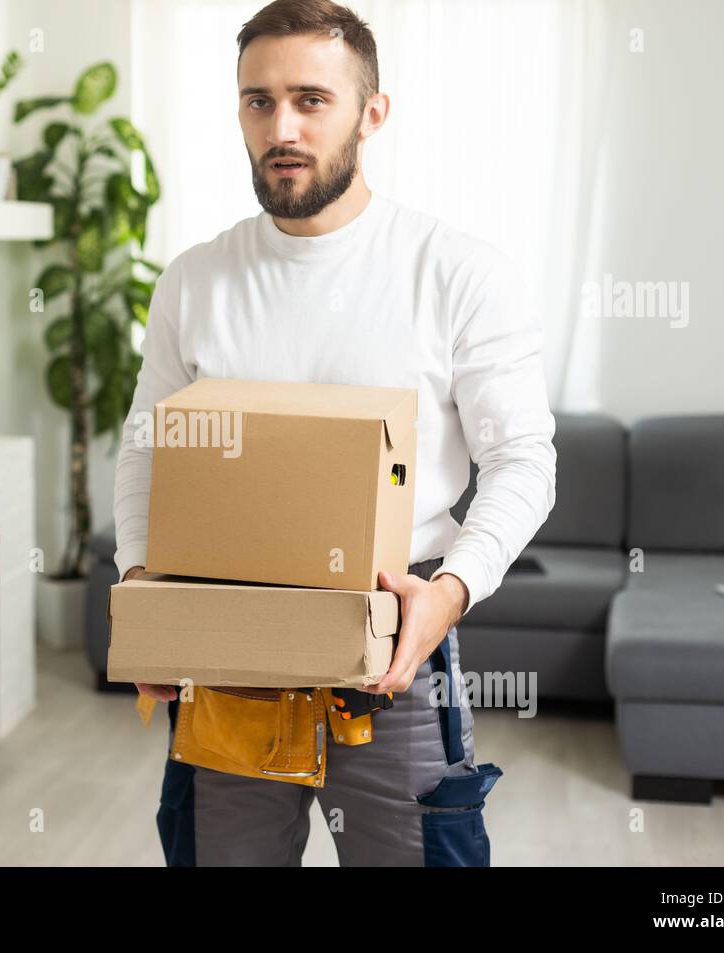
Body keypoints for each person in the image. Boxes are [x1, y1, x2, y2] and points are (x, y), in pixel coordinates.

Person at [112, 0, 556, 866]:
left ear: (371, 112)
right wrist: (139, 585)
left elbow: (522, 461)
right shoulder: (196, 280)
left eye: (312, 99)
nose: (281, 126)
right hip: (225, 645)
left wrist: (452, 592)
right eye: (258, 100)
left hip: (395, 645)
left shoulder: (458, 274)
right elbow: (146, 447)